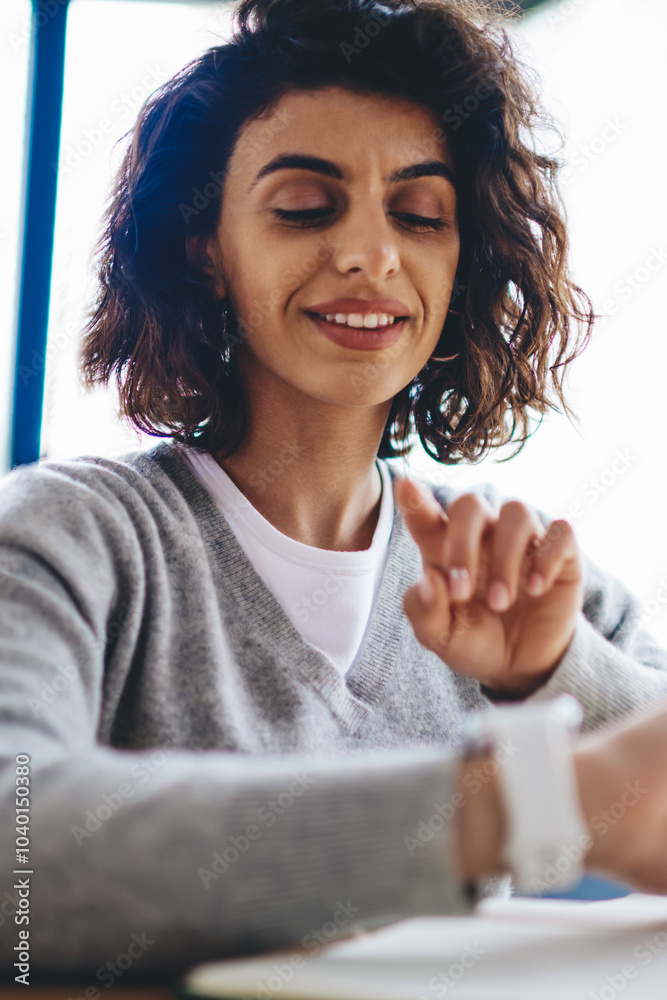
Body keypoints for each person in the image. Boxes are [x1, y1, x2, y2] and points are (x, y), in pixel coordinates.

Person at [2, 0, 667, 982]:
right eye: (306, 207)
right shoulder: (68, 539)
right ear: (203, 250)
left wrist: (556, 671)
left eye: (420, 216)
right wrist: (523, 802)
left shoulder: (529, 580)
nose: (370, 254)